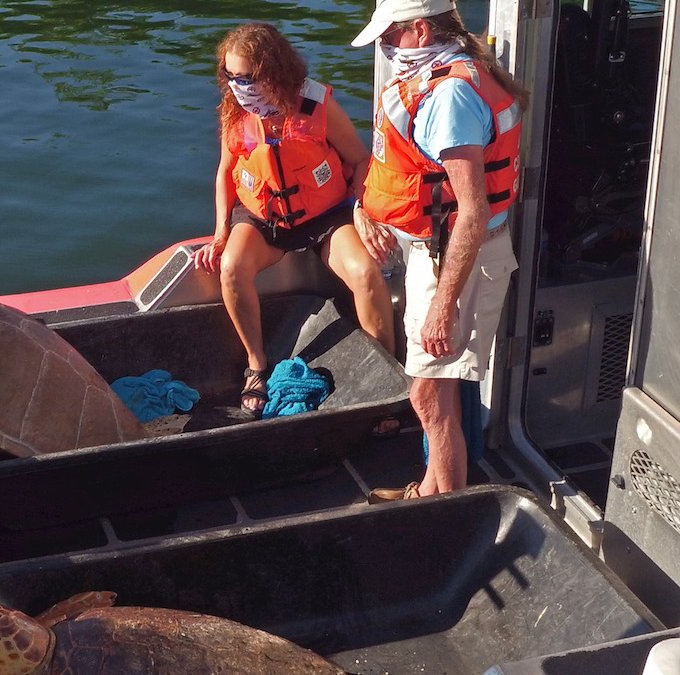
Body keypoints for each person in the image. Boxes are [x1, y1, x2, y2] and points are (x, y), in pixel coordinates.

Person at [348, 0, 526, 501]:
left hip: (458, 262)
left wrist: (444, 306)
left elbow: (472, 210)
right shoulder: (455, 71)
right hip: (439, 253)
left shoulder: (449, 96)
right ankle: (431, 492)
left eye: (390, 37)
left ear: (421, 31)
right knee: (435, 393)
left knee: (428, 394)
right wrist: (366, 210)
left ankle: (445, 512)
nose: (386, 48)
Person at [193, 22, 395, 419]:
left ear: (272, 71)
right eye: (230, 76)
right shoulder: (234, 111)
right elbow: (225, 172)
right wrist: (220, 232)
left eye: (246, 77)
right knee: (231, 267)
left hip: (325, 216)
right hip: (263, 219)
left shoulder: (316, 104)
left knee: (366, 272)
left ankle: (387, 378)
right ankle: (256, 364)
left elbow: (359, 159)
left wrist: (360, 209)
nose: (238, 86)